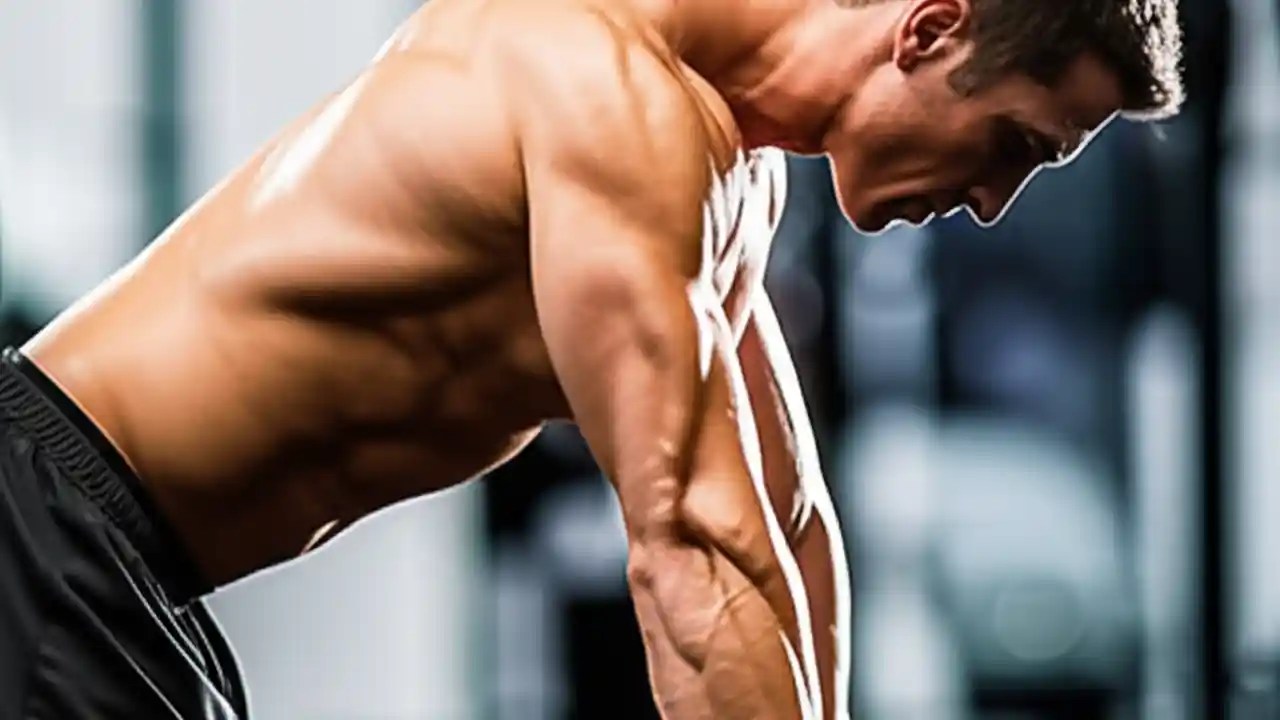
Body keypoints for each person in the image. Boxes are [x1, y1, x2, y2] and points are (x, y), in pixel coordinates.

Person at [0, 0, 1183, 717]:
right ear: (929, 28)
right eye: (1014, 142)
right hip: (44, 523)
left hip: (116, 569)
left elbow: (784, 531)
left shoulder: (735, 177)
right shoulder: (609, 99)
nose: (993, 201)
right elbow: (687, 552)